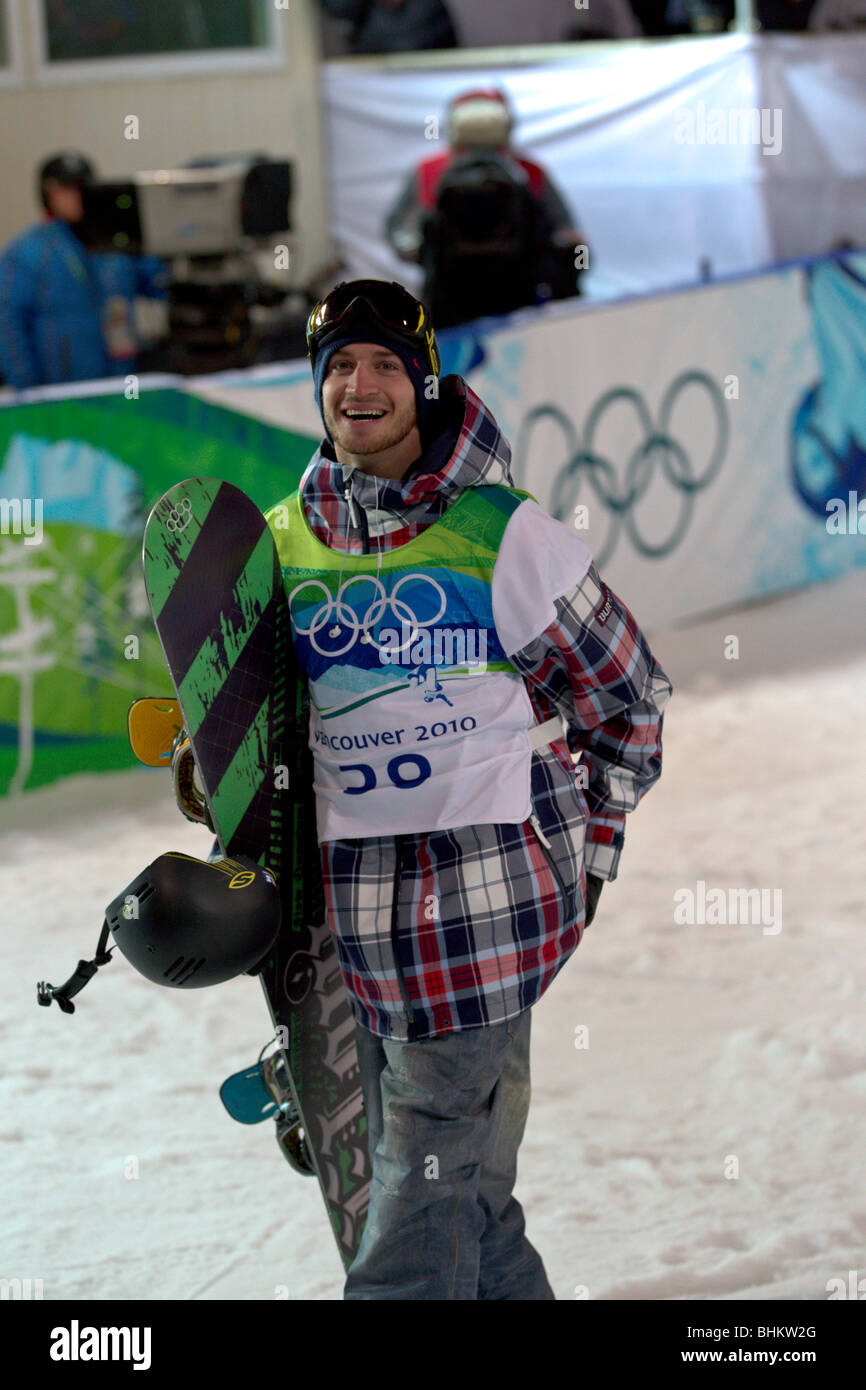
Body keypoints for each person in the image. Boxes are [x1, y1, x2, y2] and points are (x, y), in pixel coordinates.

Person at [264, 279, 672, 1300]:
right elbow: (258, 740)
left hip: (480, 910)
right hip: (357, 924)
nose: (359, 387)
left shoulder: (500, 533)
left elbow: (627, 697)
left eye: (384, 367)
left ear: (423, 381)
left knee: (423, 1169)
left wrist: (589, 857)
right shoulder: (281, 541)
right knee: (472, 1197)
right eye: (338, 368)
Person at [385, 89, 586, 326]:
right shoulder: (428, 172)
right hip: (451, 295)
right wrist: (422, 250)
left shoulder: (529, 173)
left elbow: (565, 231)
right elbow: (398, 230)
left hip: (517, 295)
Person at [0, 152, 167, 390]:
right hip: (60, 390)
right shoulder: (27, 252)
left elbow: (160, 284)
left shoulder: (117, 242)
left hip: (121, 382)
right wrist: (27, 391)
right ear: (47, 194)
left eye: (82, 188)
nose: (75, 197)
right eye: (66, 189)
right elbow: (9, 326)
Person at [318, 0, 458, 53]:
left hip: (420, 83)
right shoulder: (365, 12)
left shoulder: (429, 10)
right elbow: (338, 8)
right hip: (369, 81)